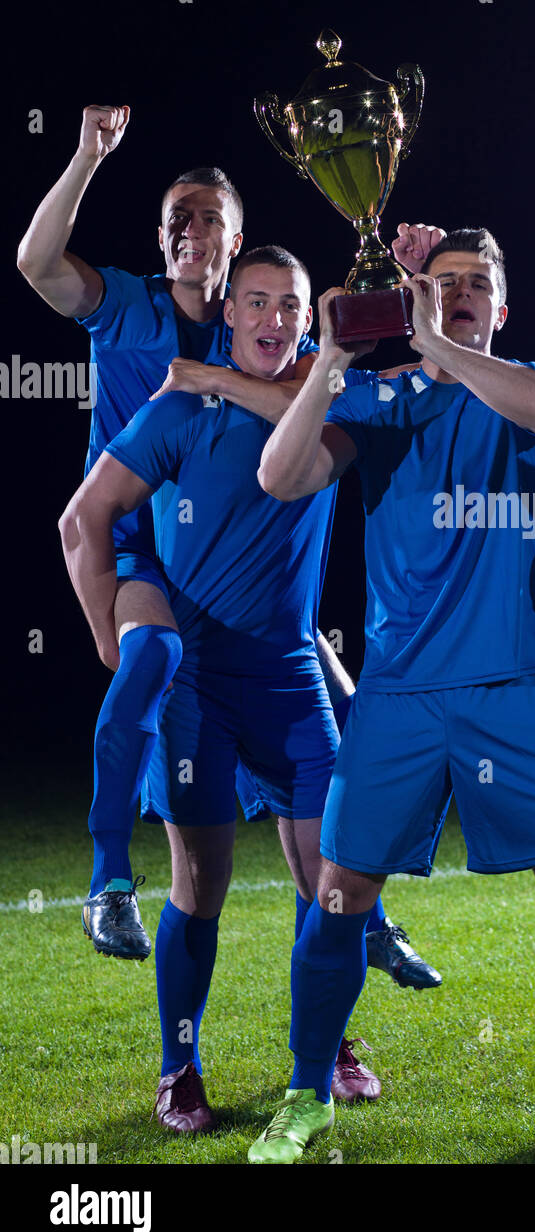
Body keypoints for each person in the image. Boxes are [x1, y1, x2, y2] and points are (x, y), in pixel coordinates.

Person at [247, 229, 535, 1163]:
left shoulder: (520, 383)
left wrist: (439, 344)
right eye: (440, 283)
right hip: (399, 693)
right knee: (339, 895)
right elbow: (278, 476)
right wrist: (329, 355)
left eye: (475, 284)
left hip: (510, 684)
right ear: (416, 292)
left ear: (500, 305)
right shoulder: (380, 400)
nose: (456, 295)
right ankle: (305, 1092)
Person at [58, 246, 420, 1127]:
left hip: (290, 676)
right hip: (202, 685)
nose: (271, 320)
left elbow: (412, 367)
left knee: (332, 881)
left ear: (308, 319)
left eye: (288, 306)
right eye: (254, 303)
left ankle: (324, 1048)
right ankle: (178, 1066)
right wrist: (112, 635)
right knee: (200, 885)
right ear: (230, 314)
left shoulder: (332, 402)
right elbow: (84, 515)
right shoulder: (181, 407)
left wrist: (407, 279)